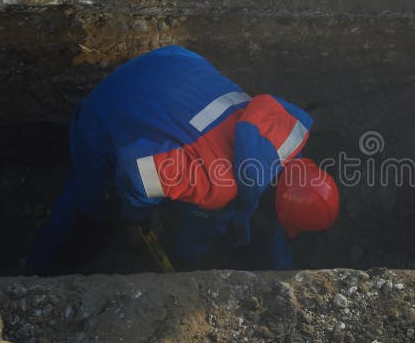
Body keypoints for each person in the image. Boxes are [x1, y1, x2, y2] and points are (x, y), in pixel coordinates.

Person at [26, 46, 339, 275]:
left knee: (199, 193)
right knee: (90, 214)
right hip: (108, 113)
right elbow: (135, 170)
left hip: (172, 64)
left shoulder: (281, 131)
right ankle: (40, 272)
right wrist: (137, 218)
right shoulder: (217, 183)